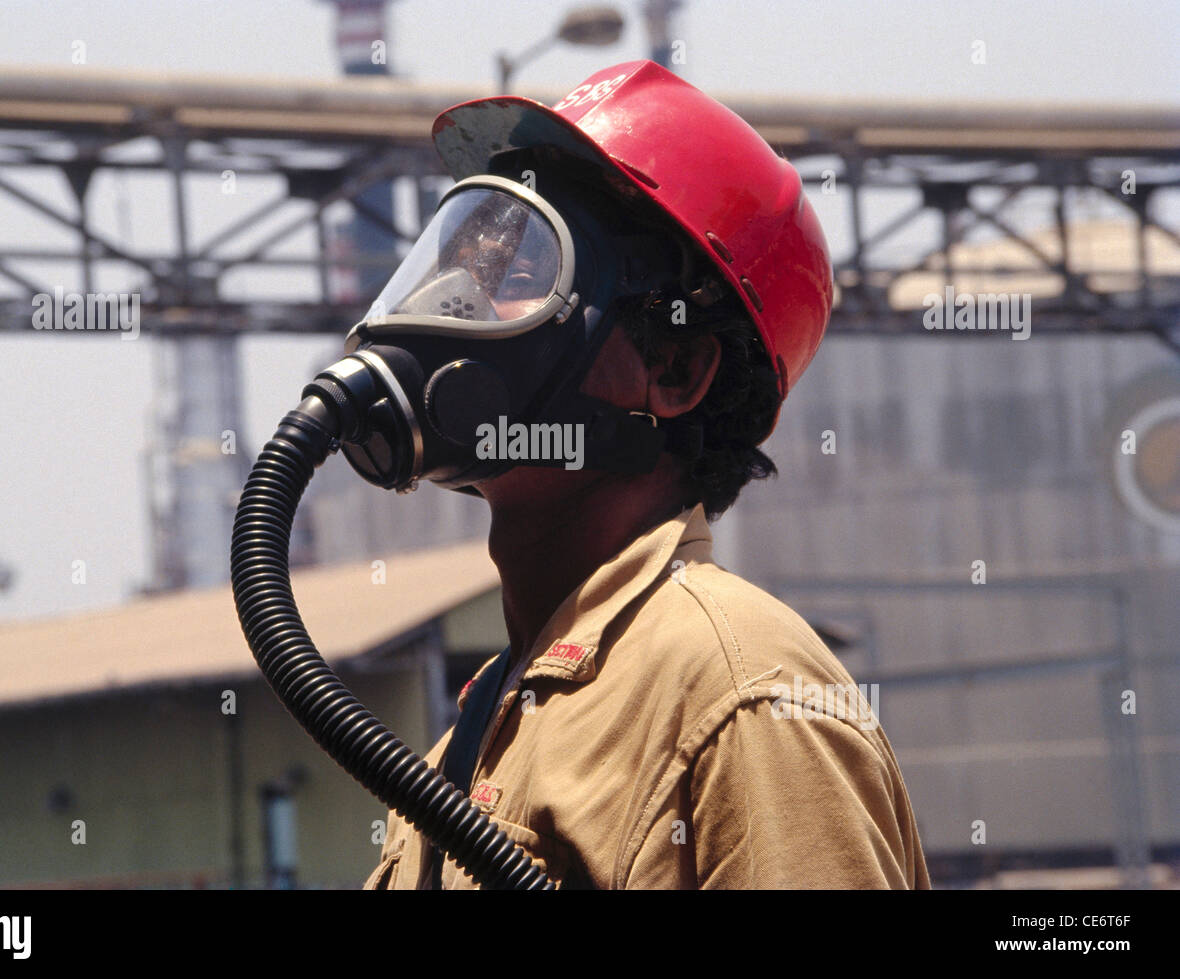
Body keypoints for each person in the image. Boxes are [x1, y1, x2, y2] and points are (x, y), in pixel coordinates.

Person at [362, 60, 930, 889]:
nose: (455, 306)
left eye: (519, 278)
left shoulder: (744, 697)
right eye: (460, 270)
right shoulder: (479, 725)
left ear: (673, 369)